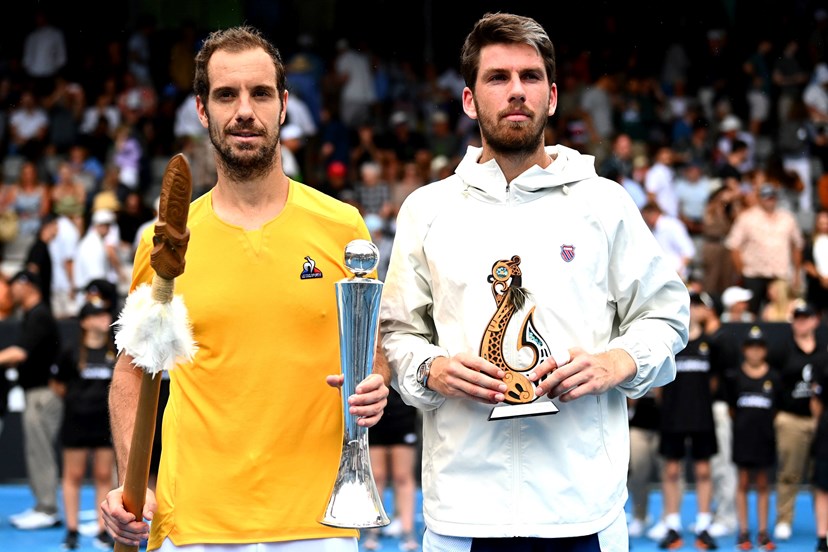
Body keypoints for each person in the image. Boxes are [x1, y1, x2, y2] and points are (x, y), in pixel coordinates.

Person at [379, 12, 690, 552]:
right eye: (497, 78)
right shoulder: (427, 210)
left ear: (551, 96)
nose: (515, 91)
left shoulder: (604, 203)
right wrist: (433, 369)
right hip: (463, 513)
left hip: (584, 509)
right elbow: (397, 333)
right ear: (470, 100)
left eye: (528, 77)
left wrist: (616, 362)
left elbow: (666, 315)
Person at [100, 25, 389, 552]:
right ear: (202, 111)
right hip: (193, 527)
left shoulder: (342, 226)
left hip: (318, 524)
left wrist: (375, 384)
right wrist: (130, 480)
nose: (244, 111)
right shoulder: (166, 243)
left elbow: (371, 353)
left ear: (283, 105)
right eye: (226, 95)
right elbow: (133, 373)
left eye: (259, 93)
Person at [655, 289, 719, 550]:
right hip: (673, 417)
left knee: (703, 470)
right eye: (689, 304)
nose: (693, 309)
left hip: (702, 417)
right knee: (671, 470)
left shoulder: (711, 344)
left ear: (705, 311)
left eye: (698, 305)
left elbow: (713, 383)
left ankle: (704, 526)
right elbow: (659, 386)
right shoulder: (671, 342)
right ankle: (672, 525)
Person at [0, 270, 63, 530]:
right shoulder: (32, 315)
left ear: (26, 286)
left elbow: (19, 353)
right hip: (34, 393)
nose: (10, 291)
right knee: (35, 451)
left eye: (13, 285)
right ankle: (42, 505)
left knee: (41, 451)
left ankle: (48, 508)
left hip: (41, 394)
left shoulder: (39, 315)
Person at [57, 301, 117, 550]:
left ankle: (103, 529)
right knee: (74, 475)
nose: (102, 319)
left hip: (104, 423)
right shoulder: (71, 351)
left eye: (104, 314)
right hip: (76, 422)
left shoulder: (116, 351)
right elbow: (58, 385)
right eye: (95, 315)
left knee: (104, 475)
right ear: (83, 322)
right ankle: (72, 529)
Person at [724, 326, 782, 551]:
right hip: (742, 438)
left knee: (763, 483)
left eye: (759, 348)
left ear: (764, 350)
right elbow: (732, 409)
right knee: (743, 482)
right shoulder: (736, 376)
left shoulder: (774, 377)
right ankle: (744, 530)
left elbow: (776, 409)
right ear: (744, 350)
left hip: (765, 438)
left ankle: (763, 532)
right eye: (751, 348)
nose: (755, 352)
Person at [773, 302, 823, 541]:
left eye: (806, 318)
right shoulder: (783, 349)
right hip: (791, 419)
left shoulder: (824, 349)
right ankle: (784, 519)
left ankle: (823, 525)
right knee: (789, 472)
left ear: (815, 321)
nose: (801, 322)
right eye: (797, 318)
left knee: (822, 475)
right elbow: (771, 383)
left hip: (821, 421)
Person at [811, 358, 828, 552]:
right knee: (823, 486)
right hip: (826, 430)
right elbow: (816, 401)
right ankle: (822, 538)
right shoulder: (823, 365)